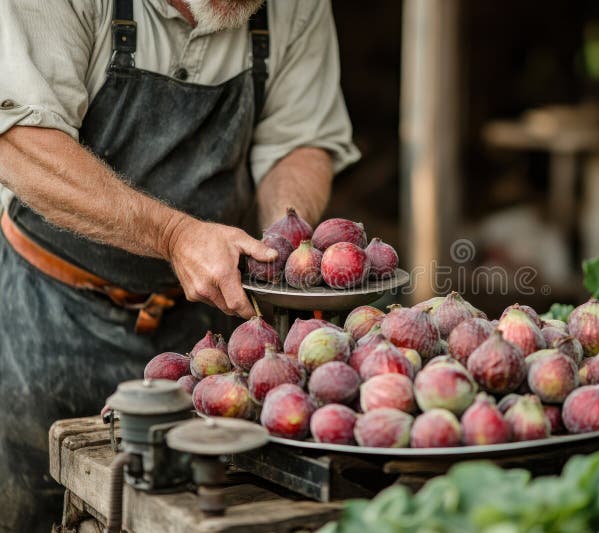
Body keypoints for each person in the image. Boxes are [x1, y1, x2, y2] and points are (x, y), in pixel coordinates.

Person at [0, 0, 359, 529]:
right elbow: (21, 143)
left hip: (207, 335)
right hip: (49, 320)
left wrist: (284, 247)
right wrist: (173, 234)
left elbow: (299, 141)